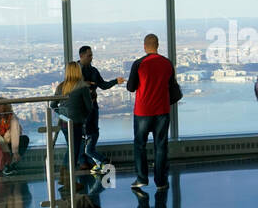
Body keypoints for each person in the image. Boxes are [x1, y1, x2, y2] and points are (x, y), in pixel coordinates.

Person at [126, 33, 173, 190]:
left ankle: (141, 178)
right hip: (162, 110)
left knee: (140, 145)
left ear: (145, 46)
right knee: (161, 146)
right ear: (158, 45)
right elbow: (172, 86)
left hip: (143, 111)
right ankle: (161, 181)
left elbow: (130, 87)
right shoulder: (167, 63)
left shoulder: (139, 64)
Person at [78, 45, 123, 175]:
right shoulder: (75, 70)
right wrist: (87, 84)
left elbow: (102, 85)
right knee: (84, 134)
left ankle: (93, 159)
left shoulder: (93, 71)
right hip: (82, 108)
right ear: (81, 56)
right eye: (89, 55)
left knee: (92, 132)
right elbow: (73, 85)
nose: (91, 58)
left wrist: (115, 81)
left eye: (91, 55)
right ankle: (90, 159)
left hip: (92, 106)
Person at [55, 61, 98, 174]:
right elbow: (89, 107)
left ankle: (65, 177)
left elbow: (53, 105)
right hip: (76, 124)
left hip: (64, 123)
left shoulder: (61, 87)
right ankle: (68, 180)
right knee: (74, 151)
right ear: (78, 71)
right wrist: (82, 116)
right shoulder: (82, 87)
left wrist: (63, 114)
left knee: (71, 149)